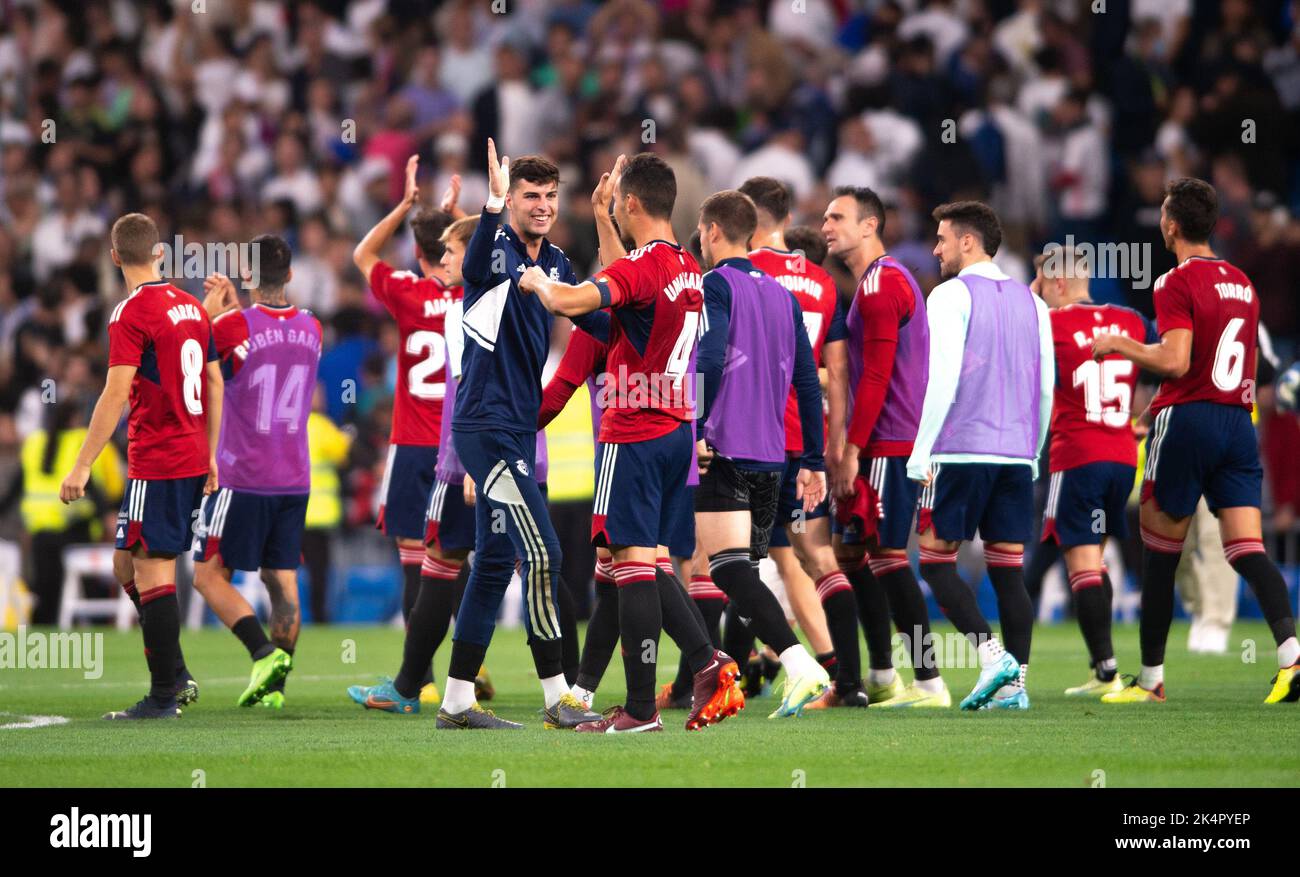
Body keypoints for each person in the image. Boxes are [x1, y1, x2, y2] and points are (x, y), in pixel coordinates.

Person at [522, 156, 743, 733]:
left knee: (632, 568)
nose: (615, 207)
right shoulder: (686, 267)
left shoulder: (645, 268)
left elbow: (579, 301)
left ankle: (653, 700)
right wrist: (600, 219)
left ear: (634, 204)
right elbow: (626, 286)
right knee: (644, 564)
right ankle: (694, 667)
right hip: (675, 431)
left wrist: (540, 280)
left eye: (617, 201)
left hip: (634, 429)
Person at [1091, 177, 1300, 704]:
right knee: (1247, 548)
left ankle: (1152, 680)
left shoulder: (1175, 282)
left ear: (1172, 224)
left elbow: (1176, 360)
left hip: (1187, 420)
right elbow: (1249, 363)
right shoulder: (1242, 282)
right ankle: (1291, 657)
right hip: (1236, 422)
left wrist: (1120, 343)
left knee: (1159, 553)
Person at [438, 141, 601, 730]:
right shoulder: (496, 249)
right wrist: (492, 202)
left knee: (494, 561)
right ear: (513, 201)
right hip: (485, 426)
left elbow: (594, 319)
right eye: (530, 196)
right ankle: (558, 696)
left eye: (549, 196)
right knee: (547, 553)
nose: (541, 205)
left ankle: (456, 702)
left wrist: (647, 312)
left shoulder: (556, 262)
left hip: (514, 429)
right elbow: (476, 266)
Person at [60, 212, 222, 720]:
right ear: (158, 254)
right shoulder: (192, 307)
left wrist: (82, 465)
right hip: (189, 455)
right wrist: (213, 453)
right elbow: (215, 383)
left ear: (114, 258)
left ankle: (162, 697)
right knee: (125, 564)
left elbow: (114, 393)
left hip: (160, 457)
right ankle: (174, 671)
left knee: (153, 569)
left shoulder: (130, 312)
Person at [689, 187, 832, 720]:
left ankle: (798, 663)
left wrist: (695, 425)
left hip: (725, 448)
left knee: (724, 571)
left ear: (711, 232)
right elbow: (807, 382)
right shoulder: (781, 295)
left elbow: (709, 353)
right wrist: (813, 458)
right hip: (775, 457)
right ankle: (733, 678)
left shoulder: (714, 285)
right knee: (743, 572)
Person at [907, 200, 1055, 711]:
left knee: (934, 561)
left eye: (943, 239)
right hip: (1015, 454)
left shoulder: (949, 296)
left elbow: (941, 377)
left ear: (968, 241)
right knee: (1008, 569)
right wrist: (1033, 451)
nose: (936, 248)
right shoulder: (1032, 303)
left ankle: (993, 658)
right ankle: (1016, 686)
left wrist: (920, 450)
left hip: (962, 449)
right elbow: (1046, 387)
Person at [740, 176, 868, 709]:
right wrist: (834, 448)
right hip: (804, 441)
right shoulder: (821, 282)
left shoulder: (743, 273)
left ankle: (721, 677)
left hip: (753, 437)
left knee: (724, 559)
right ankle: (848, 681)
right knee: (811, 557)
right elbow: (836, 372)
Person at [824, 186, 951, 708]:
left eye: (838, 217)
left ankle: (929, 682)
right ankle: (880, 674)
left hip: (888, 440)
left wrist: (852, 448)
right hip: (885, 437)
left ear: (870, 225)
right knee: (850, 552)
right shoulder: (878, 282)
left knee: (889, 556)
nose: (827, 225)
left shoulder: (880, 287)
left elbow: (876, 374)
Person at [191, 235, 321, 709]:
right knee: (281, 579)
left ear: (247, 276)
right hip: (295, 474)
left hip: (242, 474)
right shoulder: (312, 327)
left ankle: (263, 654)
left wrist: (213, 311)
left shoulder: (233, 327)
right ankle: (276, 689)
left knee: (207, 575)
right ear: (289, 275)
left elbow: (187, 350)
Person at [352, 155, 460, 704]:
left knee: (416, 563)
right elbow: (492, 261)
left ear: (418, 253)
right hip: (463, 447)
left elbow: (361, 253)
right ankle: (468, 666)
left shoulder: (406, 292)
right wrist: (461, 219)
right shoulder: (472, 294)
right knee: (460, 557)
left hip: (414, 446)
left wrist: (402, 205)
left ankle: (414, 678)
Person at [1032, 244, 1152, 697]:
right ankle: (1102, 668)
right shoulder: (1129, 320)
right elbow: (1174, 360)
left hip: (1077, 456)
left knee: (1077, 564)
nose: (1038, 292)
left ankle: (1105, 670)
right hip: (1123, 458)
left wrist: (1031, 293)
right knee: (1089, 557)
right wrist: (1150, 413)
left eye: (1042, 282)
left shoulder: (1050, 323)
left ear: (1058, 283)